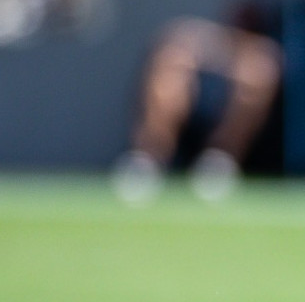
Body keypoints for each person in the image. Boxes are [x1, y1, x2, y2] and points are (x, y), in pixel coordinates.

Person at [110, 11, 285, 203]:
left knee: (258, 72)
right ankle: (147, 161)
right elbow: (178, 37)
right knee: (170, 65)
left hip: (220, 130)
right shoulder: (194, 40)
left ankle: (218, 163)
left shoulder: (261, 56)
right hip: (186, 117)